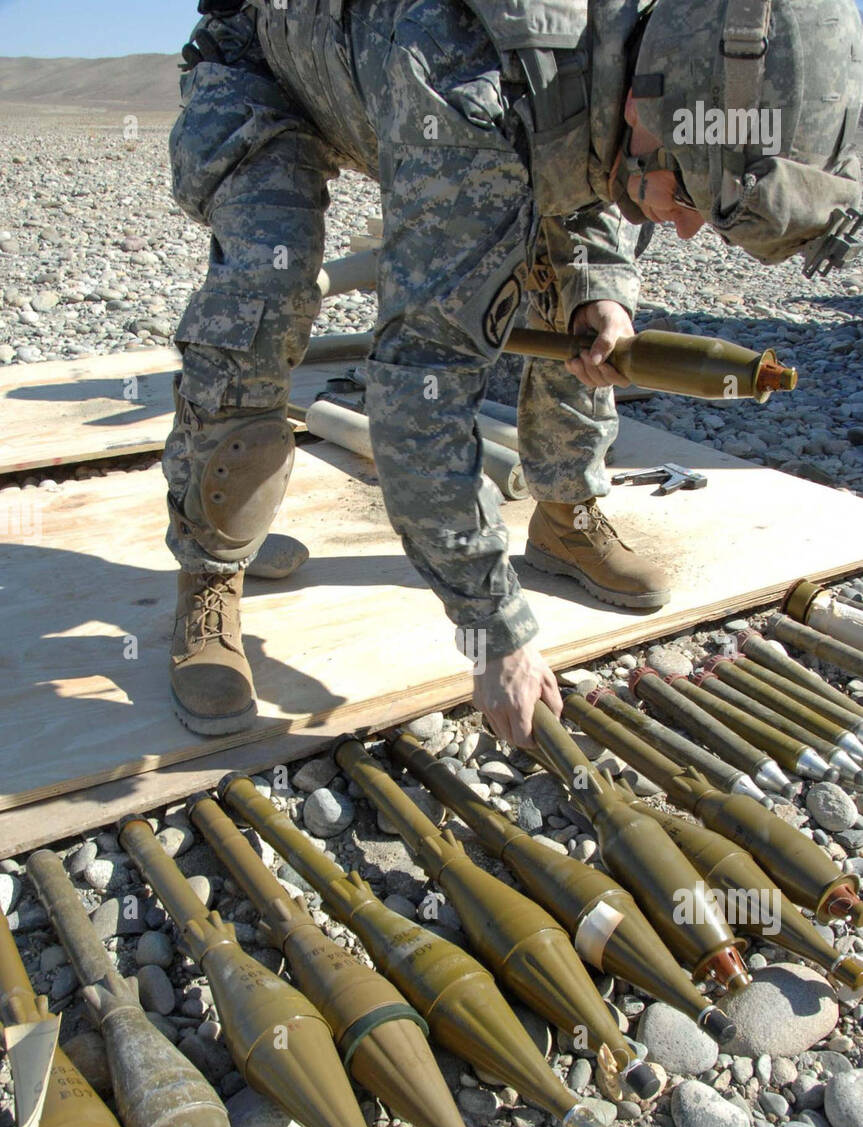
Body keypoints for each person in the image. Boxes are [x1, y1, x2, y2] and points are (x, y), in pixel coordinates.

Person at [164, 0, 862, 748]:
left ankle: (563, 518)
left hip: (448, 97)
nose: (685, 226)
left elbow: (581, 167)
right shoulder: (464, 85)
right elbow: (419, 385)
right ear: (640, 104)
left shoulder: (647, 63)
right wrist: (492, 631)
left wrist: (601, 292)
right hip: (269, 73)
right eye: (688, 193)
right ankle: (210, 570)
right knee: (267, 297)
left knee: (576, 305)